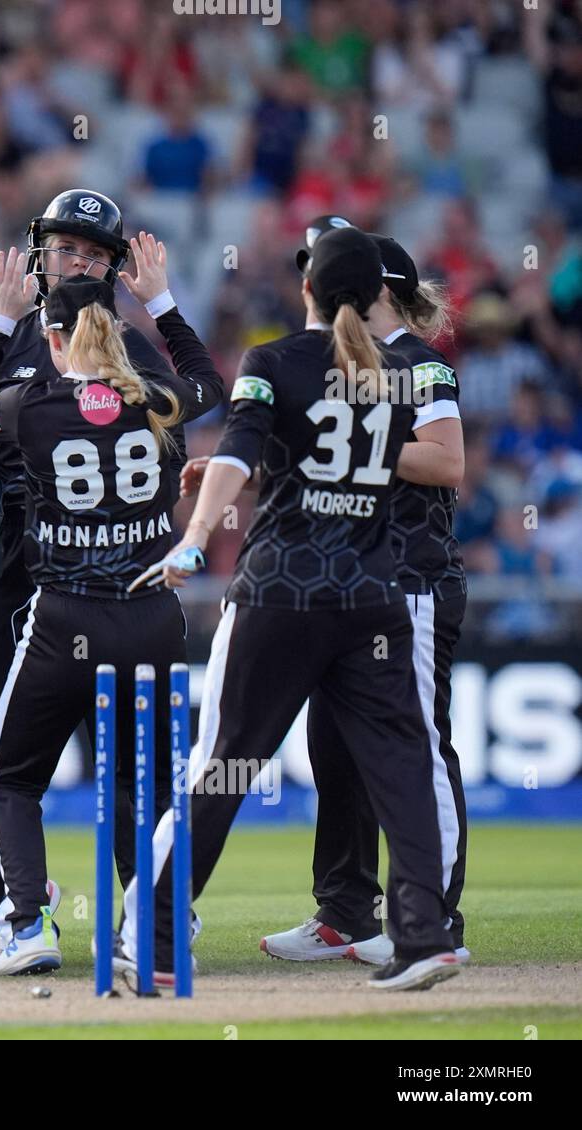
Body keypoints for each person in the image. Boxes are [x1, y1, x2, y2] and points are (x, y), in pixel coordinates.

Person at [123, 226, 461, 993]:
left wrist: (198, 536)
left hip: (282, 590)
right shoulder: (392, 374)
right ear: (375, 294)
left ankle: (157, 933)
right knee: (402, 763)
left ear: (306, 288)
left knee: (227, 762)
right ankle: (425, 934)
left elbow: (241, 450)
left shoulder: (273, 362)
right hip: (372, 595)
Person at [0, 189, 196, 969]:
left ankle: (124, 916)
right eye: (64, 248)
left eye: (91, 253)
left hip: (76, 579)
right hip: (14, 572)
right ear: (40, 252)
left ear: (113, 268)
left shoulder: (72, 342)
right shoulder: (30, 334)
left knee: (112, 764)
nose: (74, 262)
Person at [257, 230, 470, 966]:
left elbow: (447, 463)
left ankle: (435, 921)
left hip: (414, 581)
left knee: (417, 752)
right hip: (350, 585)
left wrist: (346, 443)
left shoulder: (420, 364)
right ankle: (345, 913)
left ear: (374, 285)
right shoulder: (347, 366)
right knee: (335, 753)